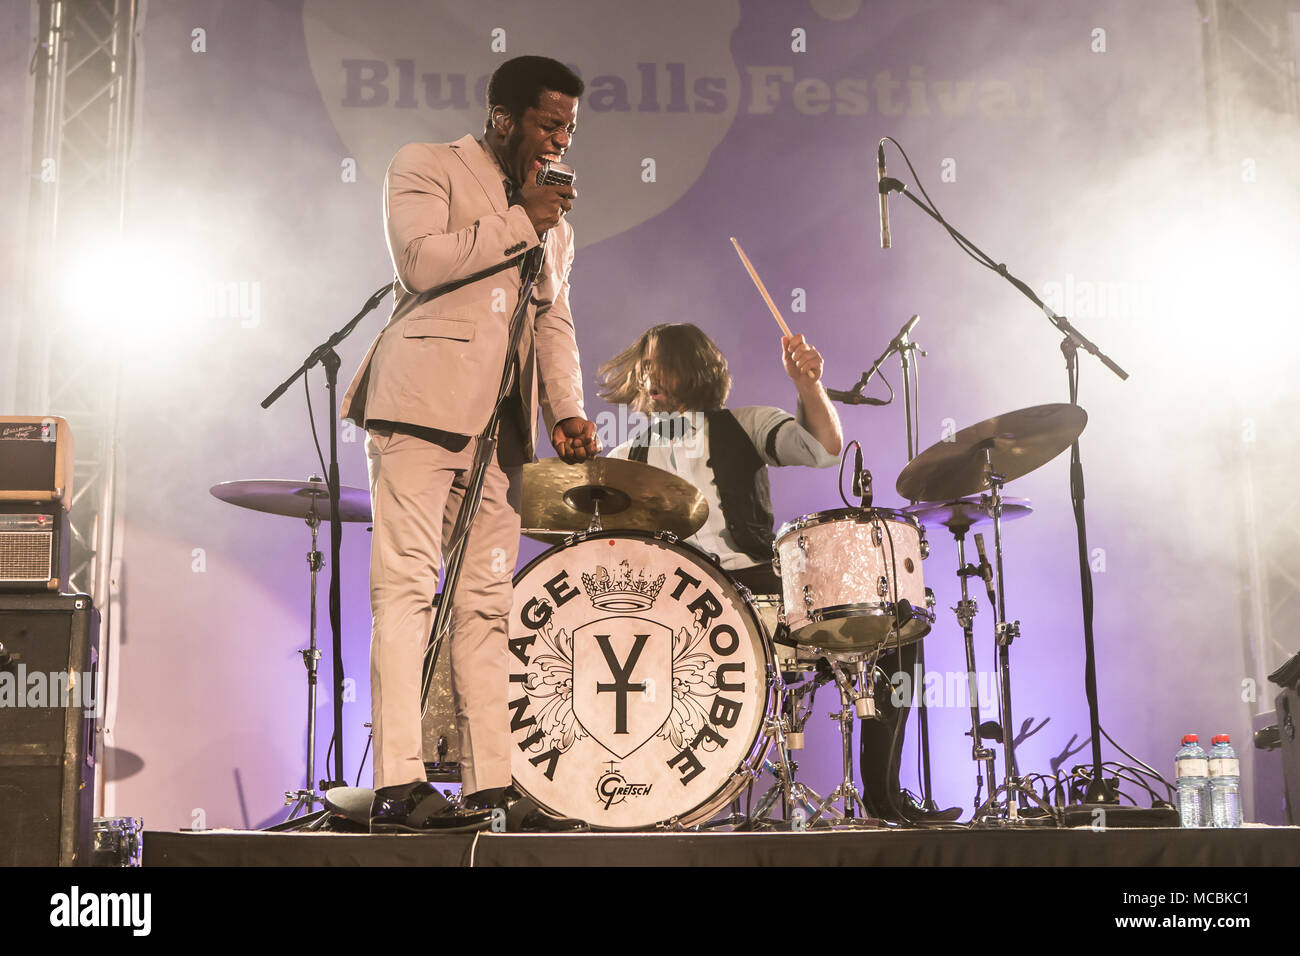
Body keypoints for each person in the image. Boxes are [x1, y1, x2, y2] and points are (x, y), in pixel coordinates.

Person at [342, 55, 600, 832]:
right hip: (421, 411)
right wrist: (523, 217)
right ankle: (397, 784)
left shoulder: (556, 223)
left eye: (570, 129)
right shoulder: (426, 166)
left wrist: (567, 410)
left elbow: (551, 319)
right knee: (408, 591)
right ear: (503, 117)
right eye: (549, 124)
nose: (559, 141)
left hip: (505, 435)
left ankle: (494, 785)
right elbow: (420, 262)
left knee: (488, 606)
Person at [598, 323, 842, 593]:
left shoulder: (748, 424)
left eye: (662, 363)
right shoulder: (625, 458)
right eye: (645, 366)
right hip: (676, 596)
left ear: (695, 365)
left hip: (756, 582)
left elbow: (822, 450)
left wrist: (808, 385)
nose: (649, 374)